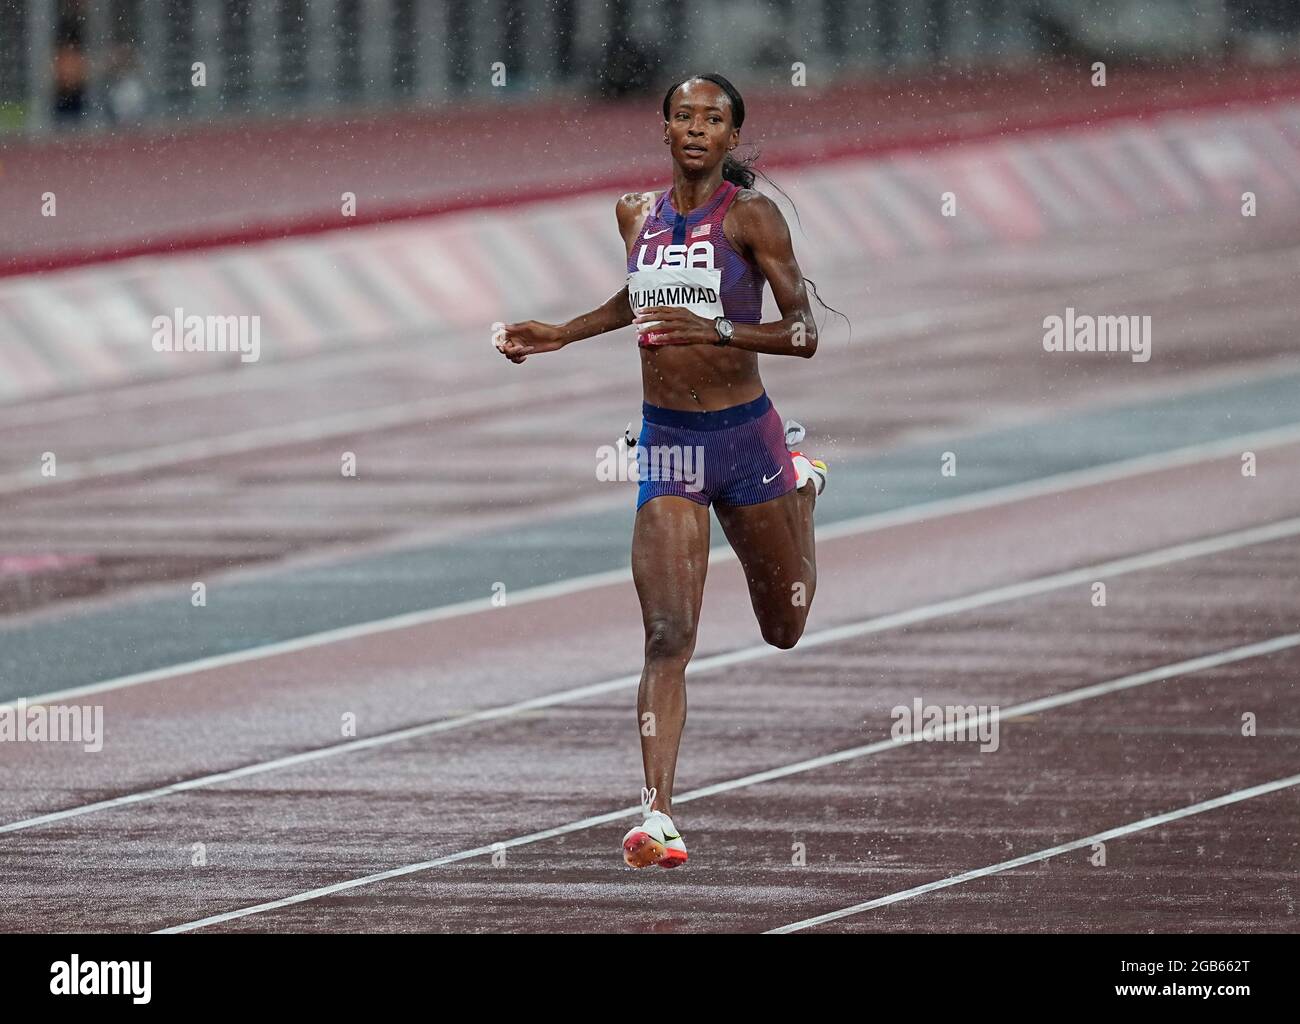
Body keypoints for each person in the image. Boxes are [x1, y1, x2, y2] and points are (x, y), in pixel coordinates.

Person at [498, 72, 838, 869]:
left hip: (747, 442)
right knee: (666, 634)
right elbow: (638, 298)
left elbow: (804, 334)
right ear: (663, 129)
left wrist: (718, 329)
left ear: (730, 138)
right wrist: (564, 333)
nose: (695, 128)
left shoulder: (753, 217)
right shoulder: (636, 214)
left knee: (783, 629)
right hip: (669, 445)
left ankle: (804, 489)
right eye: (682, 115)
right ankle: (657, 814)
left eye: (712, 119)